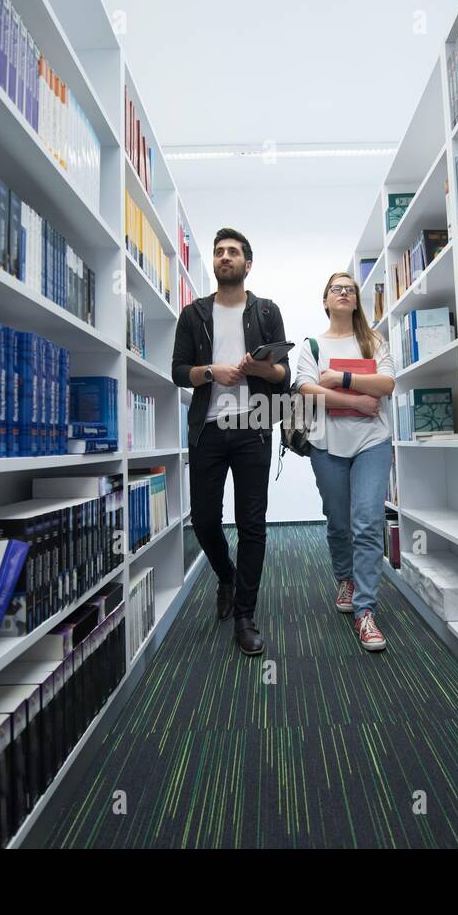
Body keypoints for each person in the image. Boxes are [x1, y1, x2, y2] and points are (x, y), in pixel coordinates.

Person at [171, 228, 291, 656]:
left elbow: (284, 375)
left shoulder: (266, 311)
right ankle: (226, 574)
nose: (225, 257)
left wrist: (261, 370)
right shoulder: (193, 314)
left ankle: (245, 614)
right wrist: (212, 372)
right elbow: (178, 370)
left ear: (247, 264)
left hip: (254, 426)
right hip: (207, 428)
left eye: (233, 252)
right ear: (215, 263)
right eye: (219, 252)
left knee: (251, 524)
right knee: (204, 520)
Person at [293, 272, 396, 651]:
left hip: (373, 442)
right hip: (326, 444)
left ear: (356, 300)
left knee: (367, 522)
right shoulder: (312, 345)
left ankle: (365, 611)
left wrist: (339, 378)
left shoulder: (374, 341)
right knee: (339, 521)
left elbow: (386, 385)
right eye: (336, 288)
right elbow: (306, 388)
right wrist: (355, 400)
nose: (343, 293)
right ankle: (345, 578)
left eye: (350, 290)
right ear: (325, 300)